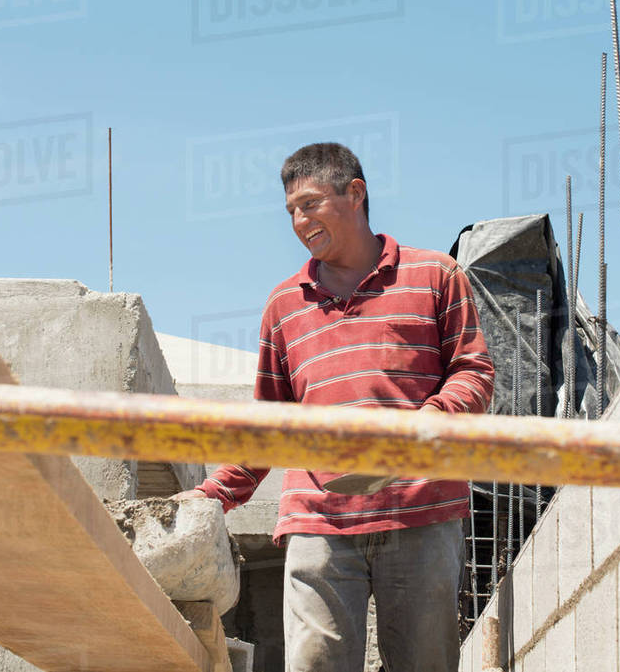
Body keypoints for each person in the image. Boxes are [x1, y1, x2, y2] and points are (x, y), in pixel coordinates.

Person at [174, 142, 494, 672]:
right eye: (291, 212)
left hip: (421, 513)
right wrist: (212, 495)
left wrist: (435, 417)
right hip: (318, 523)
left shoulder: (436, 275)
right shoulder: (284, 305)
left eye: (310, 204)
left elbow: (475, 370)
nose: (299, 221)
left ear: (356, 193)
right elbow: (271, 425)